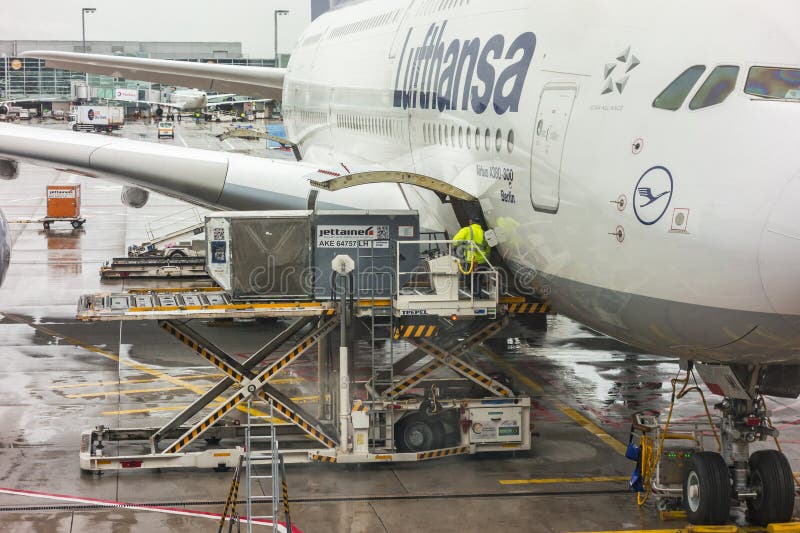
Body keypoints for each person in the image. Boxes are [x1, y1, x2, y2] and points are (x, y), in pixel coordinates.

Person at [453, 217, 491, 296]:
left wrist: (463, 243)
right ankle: (478, 296)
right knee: (478, 280)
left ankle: (476, 297)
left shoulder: (466, 230)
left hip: (471, 261)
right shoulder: (484, 233)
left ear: (470, 221)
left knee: (468, 281)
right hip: (483, 261)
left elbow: (455, 242)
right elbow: (488, 249)